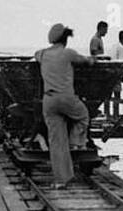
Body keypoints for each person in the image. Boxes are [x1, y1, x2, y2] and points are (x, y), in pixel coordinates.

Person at [35, 23, 94, 187]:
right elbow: (86, 61)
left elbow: (36, 55)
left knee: (56, 142)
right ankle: (75, 141)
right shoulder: (68, 53)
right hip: (67, 98)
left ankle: (61, 180)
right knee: (83, 116)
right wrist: (91, 60)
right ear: (65, 40)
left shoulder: (43, 54)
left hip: (49, 101)